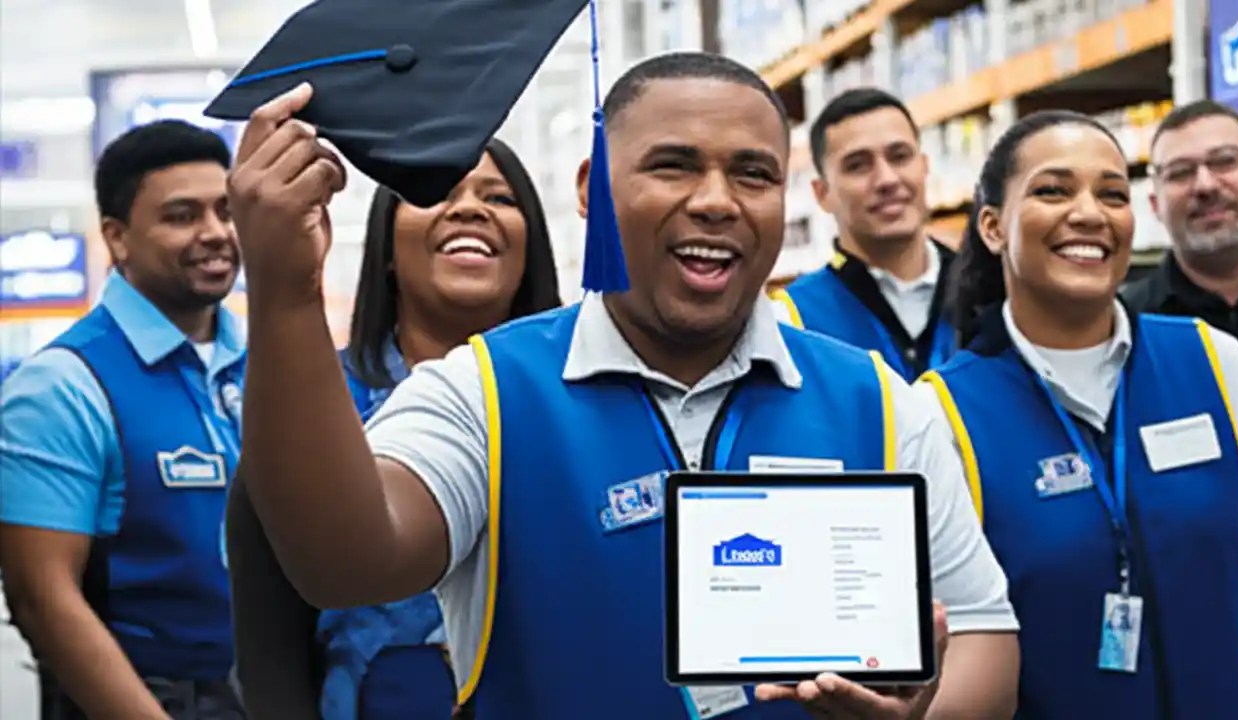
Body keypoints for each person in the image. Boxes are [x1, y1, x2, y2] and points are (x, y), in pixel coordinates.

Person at [227, 52, 1021, 719]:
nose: (715, 201)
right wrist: (287, 291)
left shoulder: (878, 404)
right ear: (590, 188)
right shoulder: (485, 394)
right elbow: (346, 563)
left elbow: (985, 637)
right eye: (672, 165)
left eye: (753, 174)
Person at [917, 109, 1238, 718]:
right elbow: (965, 645)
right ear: (992, 226)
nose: (1089, 213)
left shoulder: (1213, 360)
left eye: (1112, 194)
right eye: (1052, 190)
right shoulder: (941, 414)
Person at [226, 137, 561, 720]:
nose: (469, 209)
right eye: (438, 192)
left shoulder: (576, 404)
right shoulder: (314, 403)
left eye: (500, 197)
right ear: (386, 244)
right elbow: (269, 646)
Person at [0, 120, 246, 719]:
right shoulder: (62, 386)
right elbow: (42, 600)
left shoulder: (268, 368)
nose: (215, 234)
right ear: (118, 238)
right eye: (182, 216)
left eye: (226, 210)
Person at [1122, 101, 1238, 562]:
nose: (1206, 185)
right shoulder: (1124, 330)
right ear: (1154, 204)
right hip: (1188, 609)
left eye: (1225, 161)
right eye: (1180, 173)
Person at [769, 89, 955, 382]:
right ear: (822, 193)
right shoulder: (793, 321)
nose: (887, 180)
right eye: (857, 165)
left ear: (924, 166)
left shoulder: (994, 294)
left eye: (900, 156)